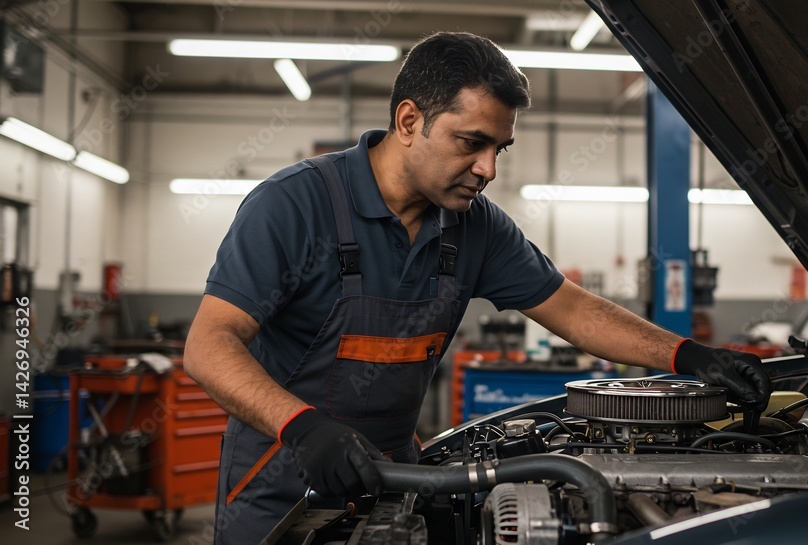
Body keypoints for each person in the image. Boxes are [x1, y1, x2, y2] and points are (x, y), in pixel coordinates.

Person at [183, 31, 771, 544]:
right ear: (410, 121)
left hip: (396, 482)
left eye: (500, 149)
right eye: (472, 143)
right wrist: (302, 427)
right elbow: (209, 344)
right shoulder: (294, 205)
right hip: (281, 484)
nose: (489, 169)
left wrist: (687, 355)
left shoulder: (474, 226)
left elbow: (570, 307)